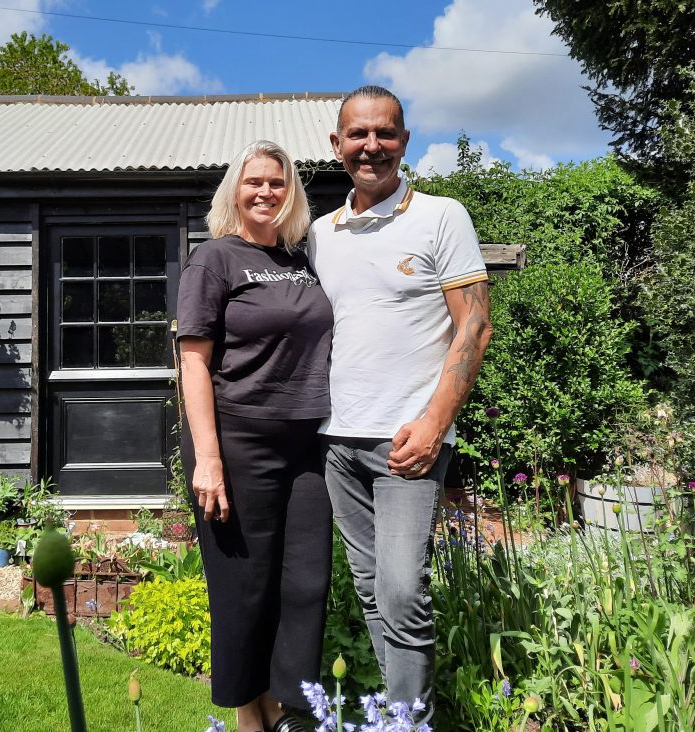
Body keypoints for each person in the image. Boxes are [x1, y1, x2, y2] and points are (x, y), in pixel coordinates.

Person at [308, 86, 493, 723]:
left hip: (407, 443)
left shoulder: (442, 216)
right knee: (369, 590)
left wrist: (437, 423)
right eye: (358, 134)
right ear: (337, 145)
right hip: (337, 441)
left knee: (401, 590)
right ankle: (397, 714)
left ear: (404, 141)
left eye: (385, 133)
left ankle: (411, 722)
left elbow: (474, 326)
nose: (372, 146)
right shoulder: (320, 234)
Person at [176, 140, 334, 732]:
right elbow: (193, 361)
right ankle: (251, 713)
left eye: (277, 182)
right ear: (235, 191)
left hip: (308, 441)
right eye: (254, 182)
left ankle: (292, 707)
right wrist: (208, 459)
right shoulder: (214, 259)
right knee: (244, 583)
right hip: (237, 439)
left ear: (292, 192)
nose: (266, 191)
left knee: (306, 580)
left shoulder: (302, 261)